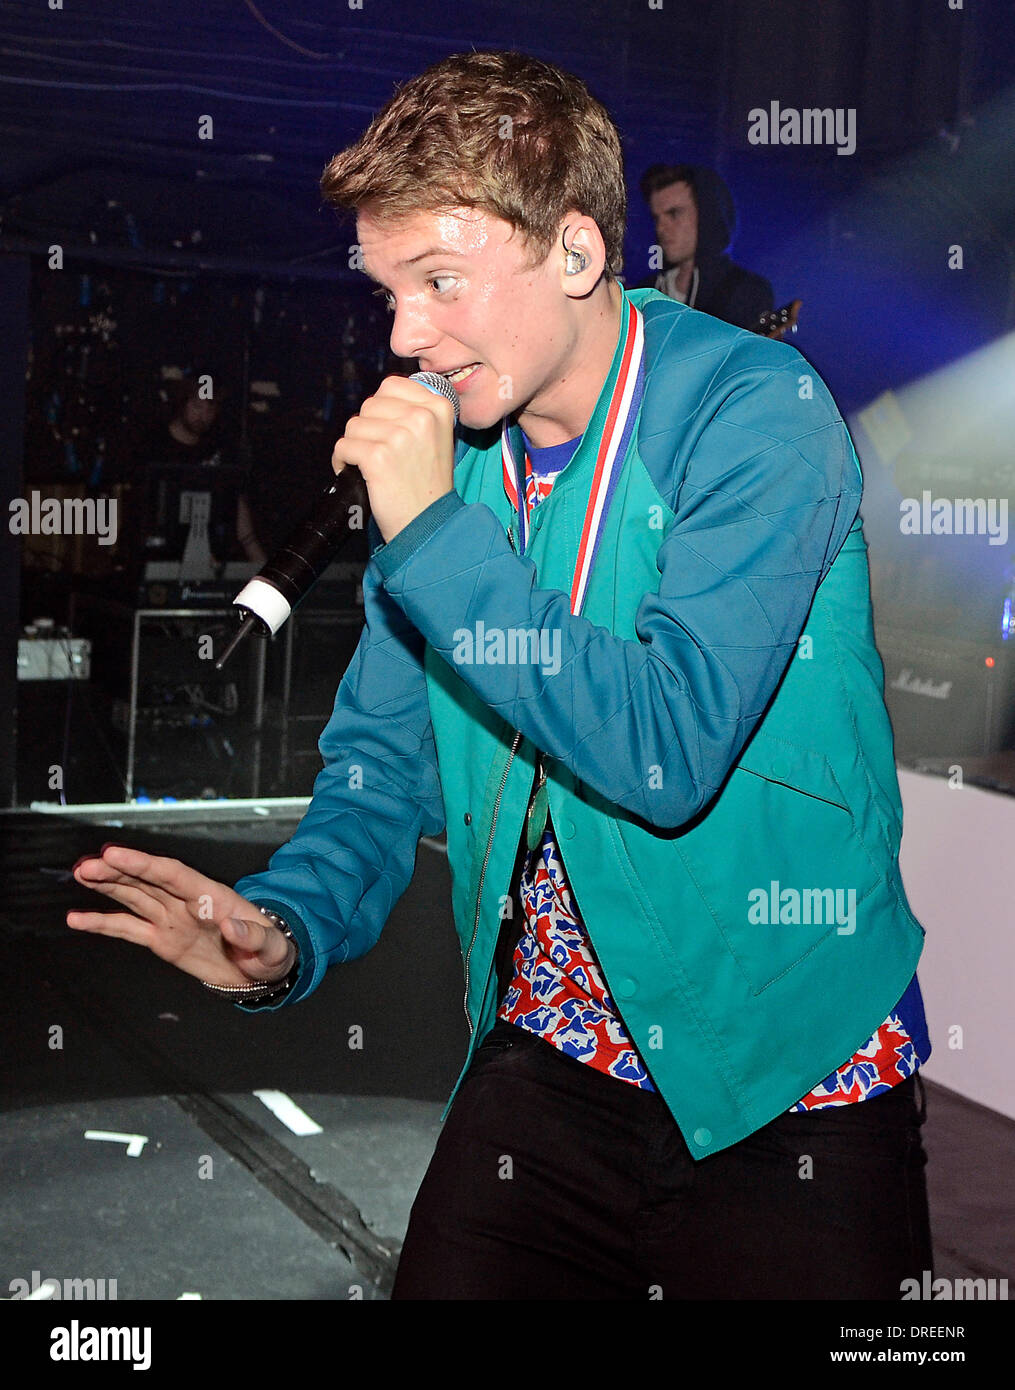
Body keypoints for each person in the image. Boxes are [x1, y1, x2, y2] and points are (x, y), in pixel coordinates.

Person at [68, 50, 933, 1300]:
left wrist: (425, 534)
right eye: (387, 291)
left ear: (577, 256)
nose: (406, 334)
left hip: (786, 1076)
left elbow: (667, 747)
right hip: (547, 1056)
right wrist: (291, 919)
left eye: (439, 282)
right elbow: (378, 757)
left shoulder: (754, 412)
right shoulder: (455, 466)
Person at [132, 373, 266, 568]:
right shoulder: (154, 447)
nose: (203, 415)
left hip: (209, 555)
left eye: (210, 409)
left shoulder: (217, 448)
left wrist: (258, 560)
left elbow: (236, 503)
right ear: (183, 403)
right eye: (197, 406)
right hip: (160, 557)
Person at [635, 162, 775, 331]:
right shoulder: (646, 293)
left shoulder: (747, 292)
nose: (661, 228)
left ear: (708, 215)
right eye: (656, 218)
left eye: (674, 213)